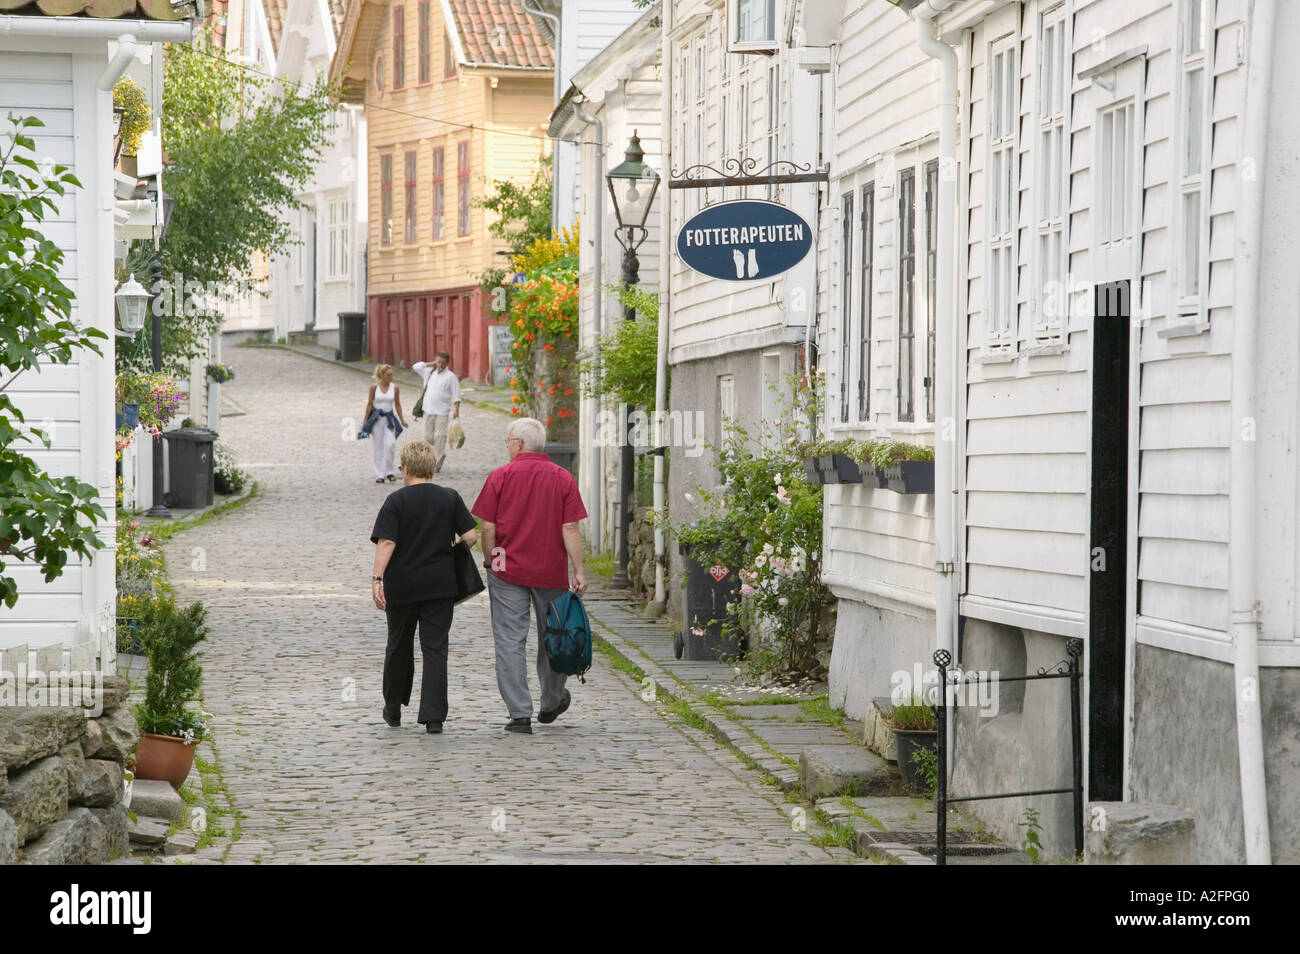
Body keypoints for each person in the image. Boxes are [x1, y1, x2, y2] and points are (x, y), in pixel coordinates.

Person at [472, 417, 587, 734]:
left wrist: (492, 560)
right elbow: (570, 527)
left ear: (519, 444)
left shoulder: (500, 477)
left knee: (509, 640)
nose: (507, 445)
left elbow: (488, 527)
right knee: (555, 636)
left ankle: (519, 713)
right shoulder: (563, 478)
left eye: (508, 440)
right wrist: (577, 569)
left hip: (507, 570)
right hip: (550, 572)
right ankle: (551, 701)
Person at [370, 440, 477, 733]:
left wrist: (377, 578)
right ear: (430, 468)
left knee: (398, 643)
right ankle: (433, 717)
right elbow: (470, 536)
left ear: (405, 469)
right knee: (435, 648)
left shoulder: (396, 502)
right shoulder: (449, 497)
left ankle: (393, 707)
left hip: (402, 584)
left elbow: (387, 542)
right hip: (440, 584)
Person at [411, 351, 460, 473]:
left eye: (443, 362)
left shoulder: (451, 377)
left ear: (447, 363)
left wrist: (456, 410)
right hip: (428, 409)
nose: (440, 364)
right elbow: (416, 366)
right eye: (438, 361)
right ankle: (430, 458)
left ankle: (438, 460)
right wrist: (430, 364)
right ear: (435, 361)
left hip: (442, 411)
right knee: (427, 437)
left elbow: (456, 395)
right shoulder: (429, 372)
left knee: (440, 436)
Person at [361, 365, 407, 483]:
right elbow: (369, 404)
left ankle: (390, 472)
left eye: (392, 374)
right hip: (377, 420)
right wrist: (366, 419)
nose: (391, 377)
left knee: (391, 445)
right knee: (378, 448)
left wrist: (402, 420)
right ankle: (380, 474)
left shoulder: (395, 388)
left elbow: (397, 404)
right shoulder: (374, 388)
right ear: (382, 375)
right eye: (388, 375)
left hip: (389, 420)